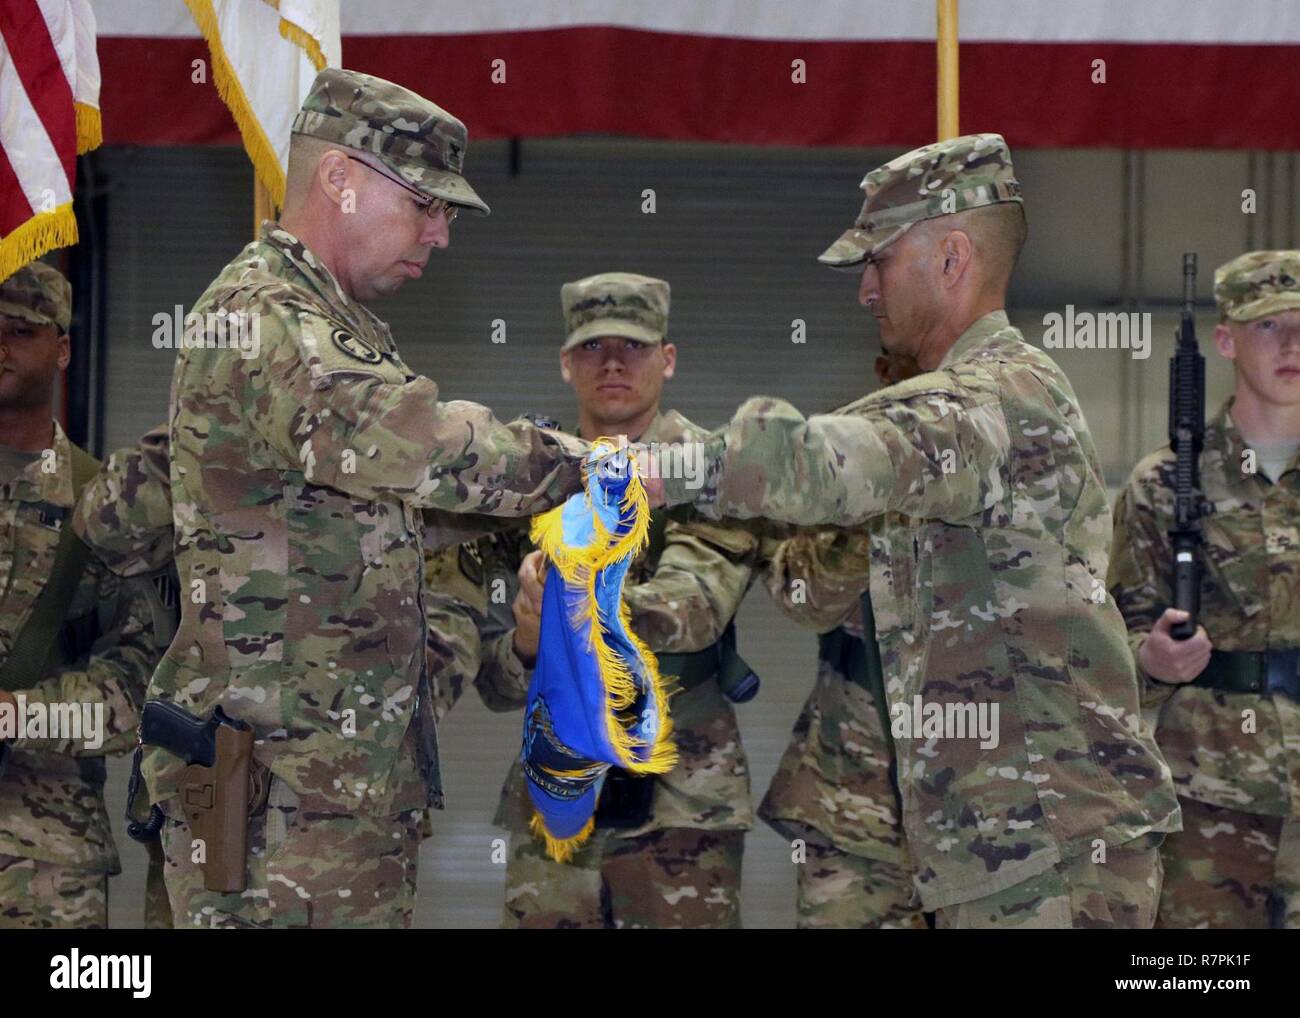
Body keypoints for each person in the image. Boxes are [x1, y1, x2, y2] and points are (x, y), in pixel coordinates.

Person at [652, 133, 1180, 928]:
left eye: (880, 261)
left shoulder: (997, 398)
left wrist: (655, 462)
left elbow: (826, 459)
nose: (866, 291)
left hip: (1051, 849)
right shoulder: (963, 399)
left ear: (951, 257)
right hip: (995, 844)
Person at [147, 67, 592, 929]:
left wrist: (520, 526)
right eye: (426, 204)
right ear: (339, 178)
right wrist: (588, 465)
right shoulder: (264, 316)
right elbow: (406, 437)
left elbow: (371, 521)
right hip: (277, 803)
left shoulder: (338, 326)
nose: (441, 234)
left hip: (337, 793)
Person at [481, 272, 761, 928]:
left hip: (682, 807)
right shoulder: (526, 482)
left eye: (633, 347)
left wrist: (577, 603)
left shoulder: (707, 470)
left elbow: (696, 609)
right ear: (565, 362)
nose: (612, 363)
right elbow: (492, 682)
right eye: (591, 348)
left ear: (668, 358)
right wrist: (527, 637)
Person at [1108, 250, 1300, 928]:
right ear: (1226, 340)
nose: (1293, 344)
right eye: (1268, 326)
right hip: (1209, 796)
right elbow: (1116, 639)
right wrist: (1151, 660)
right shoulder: (1162, 484)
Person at [0, 262, 160, 928]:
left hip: (46, 862)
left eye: (20, 330)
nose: (1, 347)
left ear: (62, 349)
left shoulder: (104, 506)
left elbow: (134, 688)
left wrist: (18, 714)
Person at [758, 351, 926, 929]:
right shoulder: (834, 455)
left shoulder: (1015, 445)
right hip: (852, 799)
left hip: (989, 808)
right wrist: (881, 509)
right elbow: (799, 596)